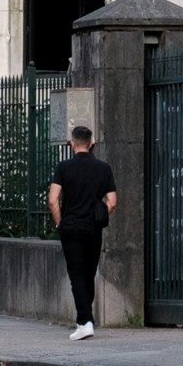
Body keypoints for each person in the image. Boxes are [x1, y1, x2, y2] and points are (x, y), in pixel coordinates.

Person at [49, 126, 118, 338]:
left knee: (76, 275)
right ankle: (87, 318)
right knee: (88, 274)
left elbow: (52, 200)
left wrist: (60, 222)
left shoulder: (64, 167)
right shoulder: (103, 168)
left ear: (72, 143)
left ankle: (84, 321)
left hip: (71, 228)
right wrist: (98, 212)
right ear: (91, 143)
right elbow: (112, 201)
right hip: (93, 228)